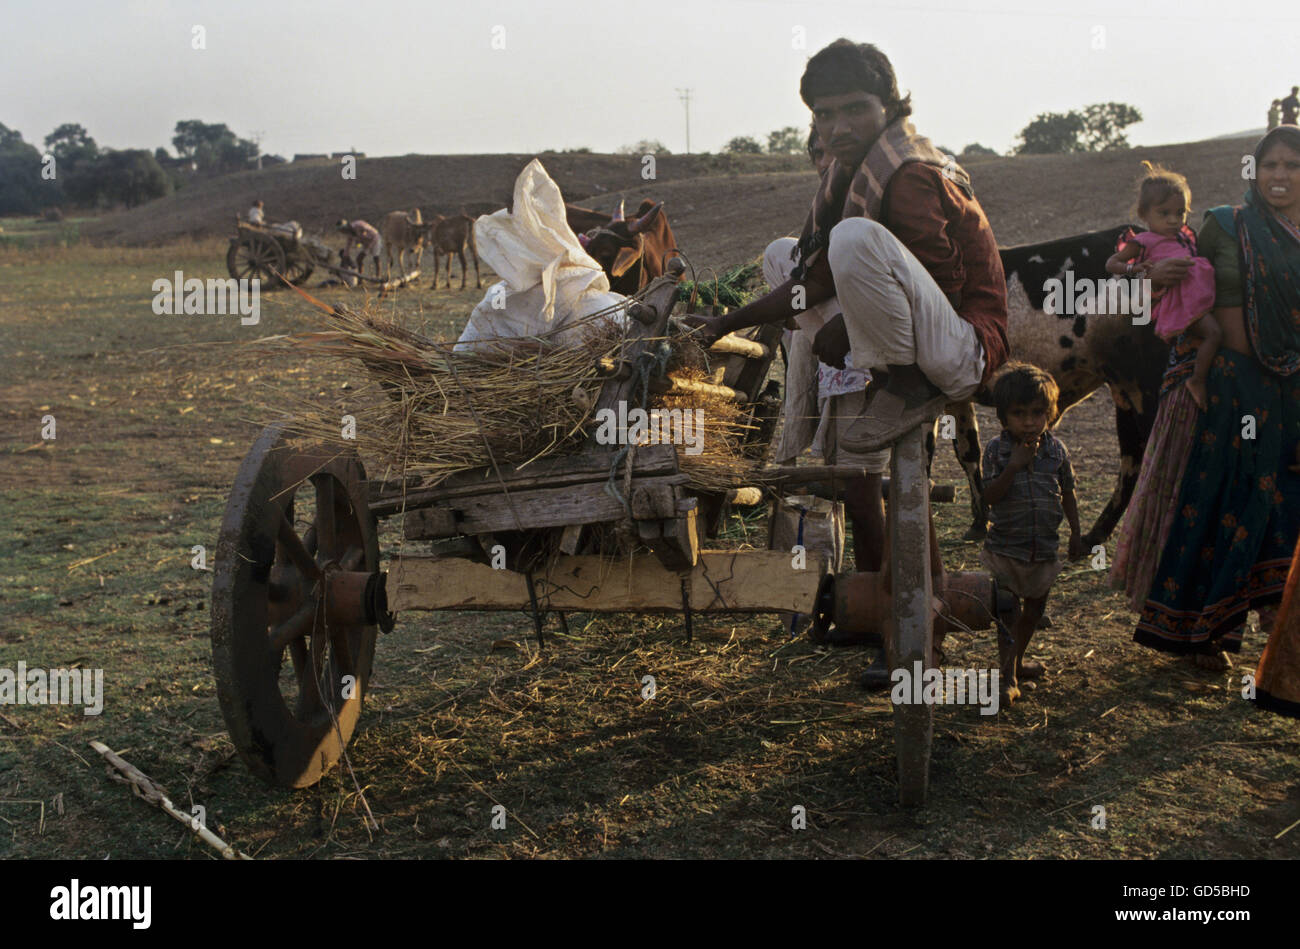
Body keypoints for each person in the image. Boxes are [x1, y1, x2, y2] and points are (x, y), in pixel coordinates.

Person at [688, 40, 1010, 670]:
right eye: (824, 114)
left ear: (889, 105)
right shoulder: (847, 174)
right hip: (901, 332)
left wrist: (846, 334)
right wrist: (728, 322)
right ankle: (886, 610)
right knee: (785, 253)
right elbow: (811, 277)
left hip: (957, 349)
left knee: (854, 238)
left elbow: (939, 285)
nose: (838, 128)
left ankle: (903, 382)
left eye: (854, 110)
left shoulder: (911, 172)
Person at [1134, 126, 1300, 674]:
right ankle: (1203, 630)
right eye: (1270, 165)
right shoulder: (1226, 224)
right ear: (1255, 171)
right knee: (1225, 496)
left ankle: (1279, 631)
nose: (1280, 175)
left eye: (1292, 166)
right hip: (1229, 383)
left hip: (1292, 388)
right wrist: (1146, 274)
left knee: (1282, 502)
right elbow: (1166, 283)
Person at [773, 124, 886, 580]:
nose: (825, 163)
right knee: (856, 488)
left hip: (880, 359)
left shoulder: (873, 199)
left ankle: (877, 593)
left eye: (831, 153)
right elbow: (810, 280)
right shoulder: (827, 208)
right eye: (818, 155)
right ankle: (865, 590)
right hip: (841, 364)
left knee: (865, 491)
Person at [980, 364, 1081, 705]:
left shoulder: (1057, 451)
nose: (1028, 421)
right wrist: (1015, 465)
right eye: (1019, 413)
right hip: (1006, 548)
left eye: (1038, 413)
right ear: (1003, 417)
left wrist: (1077, 534)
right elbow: (988, 497)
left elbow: (1068, 492)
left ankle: (1018, 661)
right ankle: (1007, 676)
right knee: (1007, 611)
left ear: (1051, 415)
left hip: (1043, 548)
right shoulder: (996, 450)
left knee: (1034, 611)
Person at [1105, 161, 1220, 410]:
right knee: (1213, 334)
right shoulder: (1144, 241)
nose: (1173, 220)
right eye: (1164, 213)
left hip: (1195, 298)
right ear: (1144, 214)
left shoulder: (1184, 238)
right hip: (1176, 303)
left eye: (1180, 213)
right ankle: (1197, 381)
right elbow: (1111, 263)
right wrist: (1132, 268)